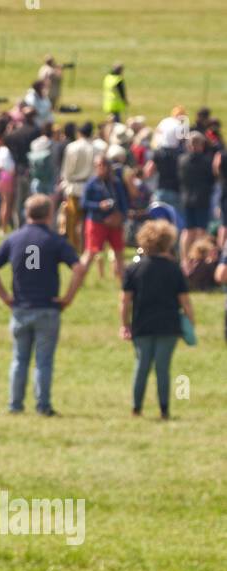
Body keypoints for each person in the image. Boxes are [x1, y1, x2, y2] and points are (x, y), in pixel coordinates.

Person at [0, 192, 88, 417]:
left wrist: (4, 296)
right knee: (43, 361)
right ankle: (43, 405)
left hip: (21, 306)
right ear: (50, 214)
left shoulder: (14, 239)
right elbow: (79, 268)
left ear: (26, 213)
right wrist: (68, 297)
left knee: (19, 359)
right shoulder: (55, 241)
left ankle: (15, 404)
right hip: (48, 307)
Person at [122, 218, 193, 420]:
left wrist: (124, 324)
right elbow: (185, 301)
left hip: (142, 324)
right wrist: (190, 322)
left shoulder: (133, 269)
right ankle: (164, 410)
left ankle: (136, 408)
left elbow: (125, 301)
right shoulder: (174, 269)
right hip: (168, 326)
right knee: (163, 368)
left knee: (141, 366)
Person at [81, 154, 129, 283]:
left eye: (104, 165)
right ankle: (79, 280)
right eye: (99, 165)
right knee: (90, 252)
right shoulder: (91, 183)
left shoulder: (116, 183)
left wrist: (121, 217)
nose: (102, 168)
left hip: (115, 223)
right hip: (97, 222)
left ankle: (124, 284)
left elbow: (124, 203)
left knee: (119, 253)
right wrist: (99, 206)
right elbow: (84, 203)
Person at [59, 121, 95, 251]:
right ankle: (85, 246)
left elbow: (66, 169)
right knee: (87, 220)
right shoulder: (95, 147)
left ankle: (74, 246)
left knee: (73, 221)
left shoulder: (72, 147)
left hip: (74, 186)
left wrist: (65, 182)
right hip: (89, 186)